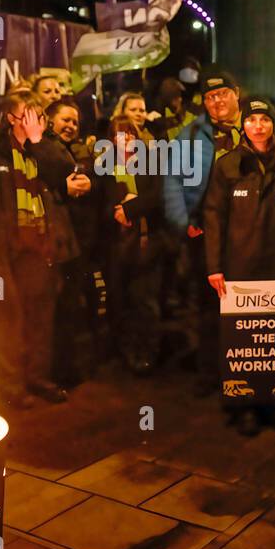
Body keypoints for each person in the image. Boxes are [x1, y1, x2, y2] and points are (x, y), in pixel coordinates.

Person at [204, 95, 275, 436]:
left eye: (264, 119)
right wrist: (214, 266)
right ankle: (246, 407)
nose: (258, 126)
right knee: (244, 343)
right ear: (244, 125)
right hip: (240, 268)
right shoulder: (227, 165)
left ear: (273, 123)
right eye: (252, 120)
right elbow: (213, 216)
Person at [0, 91, 77, 408]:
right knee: (9, 319)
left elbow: (63, 169)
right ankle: (11, 384)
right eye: (28, 115)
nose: (36, 122)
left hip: (40, 246)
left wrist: (37, 140)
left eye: (40, 116)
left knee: (40, 318)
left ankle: (38, 378)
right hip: (5, 249)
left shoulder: (43, 149)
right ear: (11, 118)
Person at [164, 70, 245, 394]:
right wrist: (183, 223)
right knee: (208, 305)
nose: (217, 102)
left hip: (247, 230)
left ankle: (245, 367)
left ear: (236, 93)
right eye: (210, 97)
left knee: (245, 302)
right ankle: (210, 371)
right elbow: (171, 180)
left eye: (223, 93)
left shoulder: (256, 124)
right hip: (205, 231)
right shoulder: (191, 133)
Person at [99, 113, 165, 376]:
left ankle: (147, 352)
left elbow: (159, 195)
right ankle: (125, 352)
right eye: (118, 134)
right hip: (116, 243)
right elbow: (100, 200)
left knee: (145, 300)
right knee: (120, 299)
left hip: (147, 241)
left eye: (129, 133)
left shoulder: (152, 161)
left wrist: (130, 207)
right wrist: (119, 208)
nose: (124, 139)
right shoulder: (105, 165)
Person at [47, 98, 104, 383]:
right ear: (49, 120)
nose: (70, 126)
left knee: (70, 308)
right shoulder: (41, 149)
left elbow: (100, 179)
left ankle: (66, 371)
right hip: (49, 244)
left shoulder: (85, 152)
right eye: (65, 120)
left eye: (74, 122)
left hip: (77, 245)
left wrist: (91, 182)